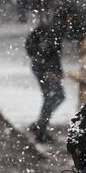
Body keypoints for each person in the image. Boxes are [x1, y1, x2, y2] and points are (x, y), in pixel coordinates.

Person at [26, 14, 65, 143]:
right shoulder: (52, 31)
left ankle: (40, 125)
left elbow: (51, 52)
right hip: (46, 69)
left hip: (44, 68)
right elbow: (49, 52)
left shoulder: (49, 29)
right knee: (53, 97)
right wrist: (48, 71)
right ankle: (41, 130)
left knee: (53, 97)